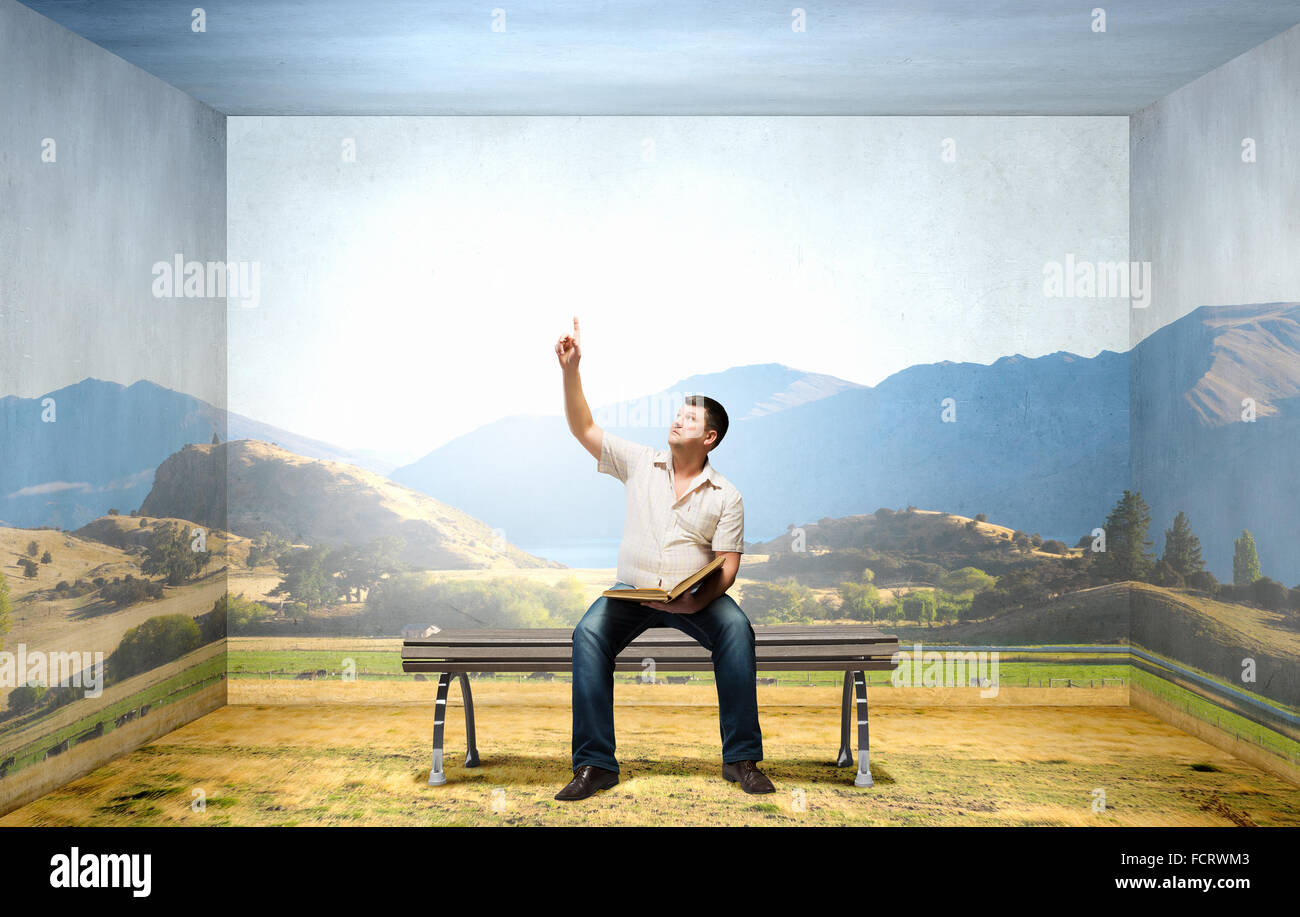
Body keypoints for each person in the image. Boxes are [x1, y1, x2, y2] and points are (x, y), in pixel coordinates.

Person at [552, 316, 773, 801]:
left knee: (737, 630)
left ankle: (742, 761)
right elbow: (583, 427)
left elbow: (728, 565)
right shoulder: (639, 462)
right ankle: (595, 766)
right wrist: (572, 370)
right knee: (588, 634)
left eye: (690, 419)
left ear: (709, 438)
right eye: (677, 414)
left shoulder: (726, 495)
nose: (678, 420)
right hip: (631, 593)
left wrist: (696, 603)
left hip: (696, 597)